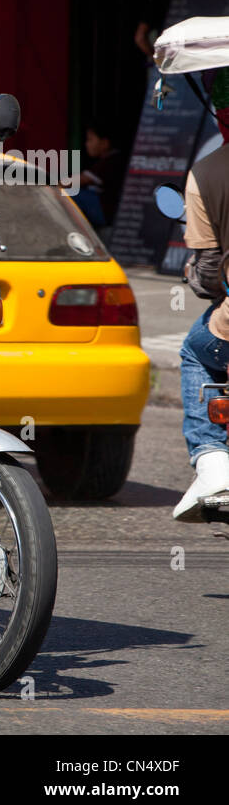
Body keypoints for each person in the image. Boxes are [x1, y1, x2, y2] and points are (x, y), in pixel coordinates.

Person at [174, 68, 229, 520]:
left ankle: (211, 460)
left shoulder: (206, 173)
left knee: (196, 350)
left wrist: (194, 278)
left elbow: (210, 276)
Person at [64, 118, 126, 229]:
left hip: (107, 213)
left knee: (69, 194)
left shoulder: (112, 161)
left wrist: (52, 185)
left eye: (90, 140)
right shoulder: (105, 160)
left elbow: (79, 180)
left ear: (104, 143)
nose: (87, 144)